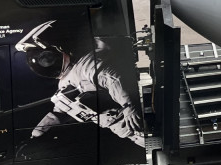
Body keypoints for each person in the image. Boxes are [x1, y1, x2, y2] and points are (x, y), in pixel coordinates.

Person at [15, 21, 143, 146]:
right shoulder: (64, 83)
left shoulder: (87, 66)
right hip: (132, 133)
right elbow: (60, 112)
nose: (45, 64)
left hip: (139, 121)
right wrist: (37, 133)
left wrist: (128, 106)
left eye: (46, 59)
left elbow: (113, 79)